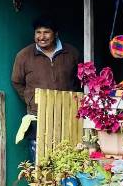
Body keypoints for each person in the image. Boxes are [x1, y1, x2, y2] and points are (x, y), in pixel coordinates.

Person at [11, 17, 80, 162]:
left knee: (67, 155)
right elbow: (17, 81)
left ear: (56, 34)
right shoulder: (24, 55)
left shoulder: (71, 53)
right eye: (38, 32)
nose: (41, 37)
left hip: (67, 113)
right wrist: (31, 100)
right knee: (39, 159)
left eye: (46, 32)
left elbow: (80, 80)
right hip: (38, 114)